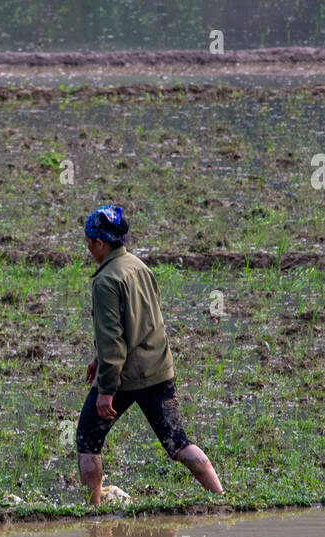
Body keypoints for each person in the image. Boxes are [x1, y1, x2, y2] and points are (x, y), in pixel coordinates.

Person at [77, 205, 223, 506]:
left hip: (125, 377)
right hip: (159, 370)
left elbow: (113, 340)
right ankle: (222, 498)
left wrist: (106, 390)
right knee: (178, 443)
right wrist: (98, 358)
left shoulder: (105, 282)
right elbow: (143, 321)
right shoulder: (139, 267)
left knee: (88, 440)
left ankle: (92, 511)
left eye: (89, 242)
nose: (88, 248)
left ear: (101, 243)